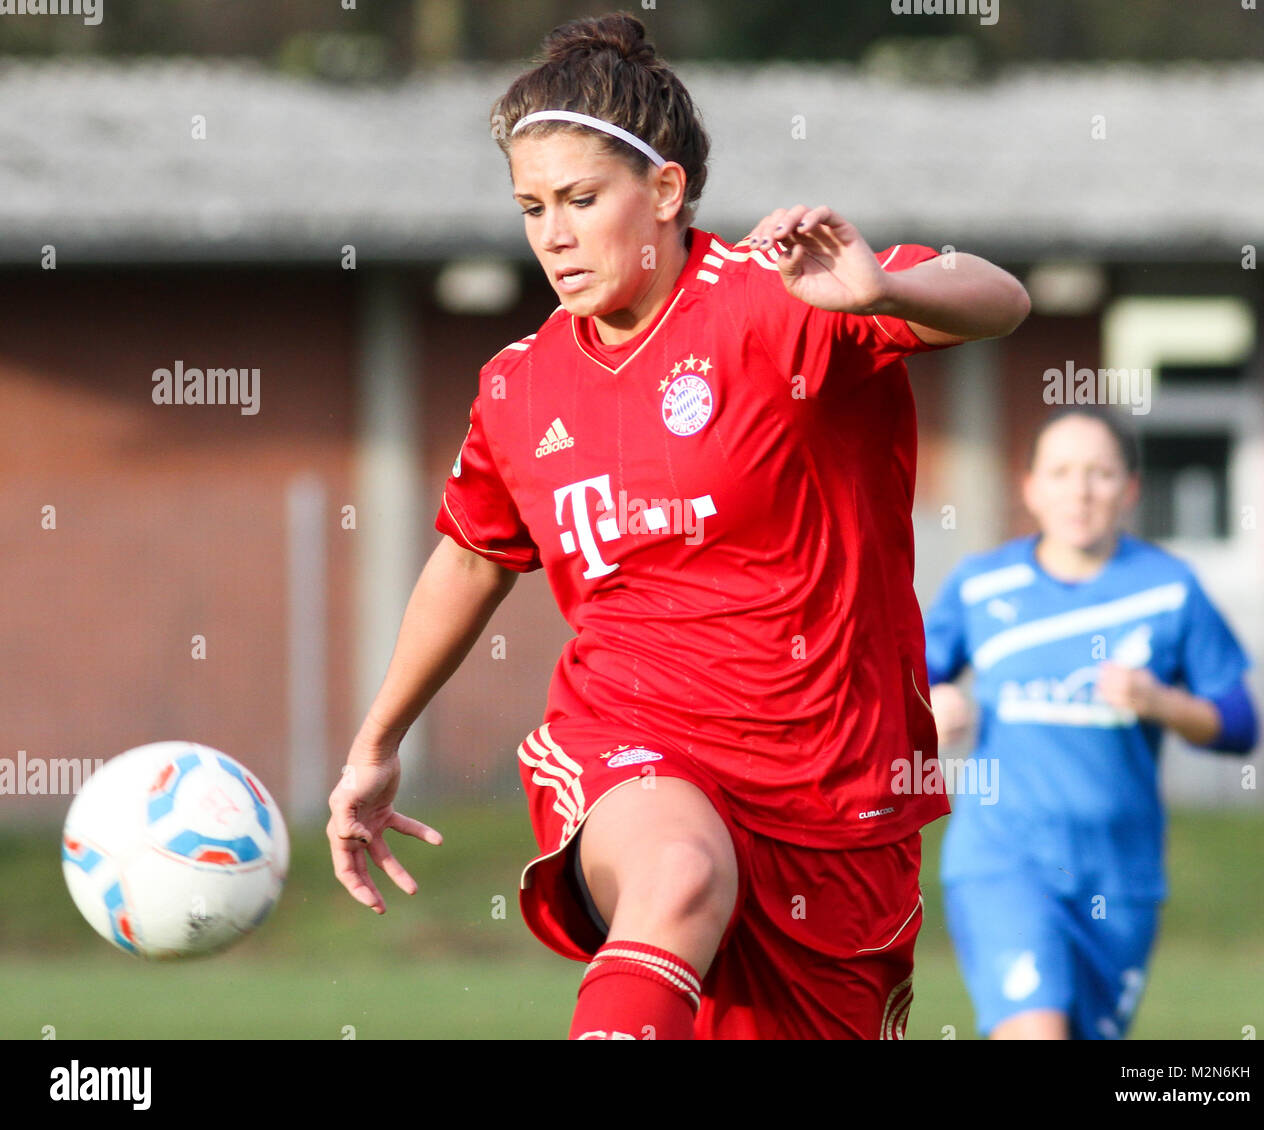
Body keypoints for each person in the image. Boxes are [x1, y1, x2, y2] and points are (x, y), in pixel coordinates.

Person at [327, 11, 1030, 1040]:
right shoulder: (520, 387)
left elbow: (999, 299)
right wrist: (376, 742)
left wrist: (883, 287)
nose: (553, 236)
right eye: (530, 208)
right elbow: (475, 555)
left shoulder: (782, 297)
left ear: (663, 191)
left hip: (838, 790)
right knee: (679, 871)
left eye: (579, 199)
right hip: (638, 739)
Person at [924, 406, 1259, 1040]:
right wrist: (932, 708)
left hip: (1120, 877)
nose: (1080, 490)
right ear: (1030, 488)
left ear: (1130, 489)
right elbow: (905, 681)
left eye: (1100, 473)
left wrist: (1164, 703)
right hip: (1005, 862)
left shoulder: (1168, 588)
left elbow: (1241, 723)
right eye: (1061, 472)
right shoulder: (979, 586)